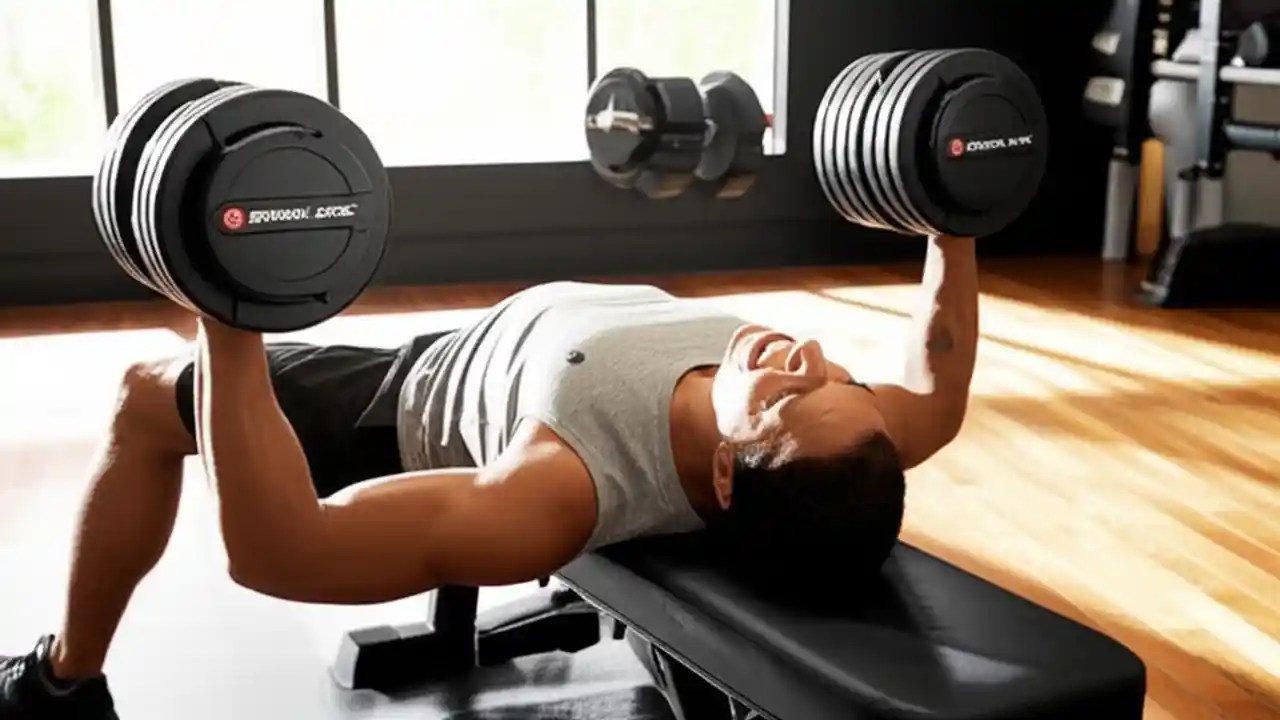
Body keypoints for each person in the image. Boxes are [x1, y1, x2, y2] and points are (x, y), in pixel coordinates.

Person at [0, 235, 978, 719]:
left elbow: (278, 551)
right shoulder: (848, 441)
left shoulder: (556, 489)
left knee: (140, 397)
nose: (806, 351)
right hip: (481, 340)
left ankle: (63, 680)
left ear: (725, 472)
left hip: (408, 396)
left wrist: (226, 317)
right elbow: (933, 392)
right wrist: (951, 230)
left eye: (787, 394)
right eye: (836, 374)